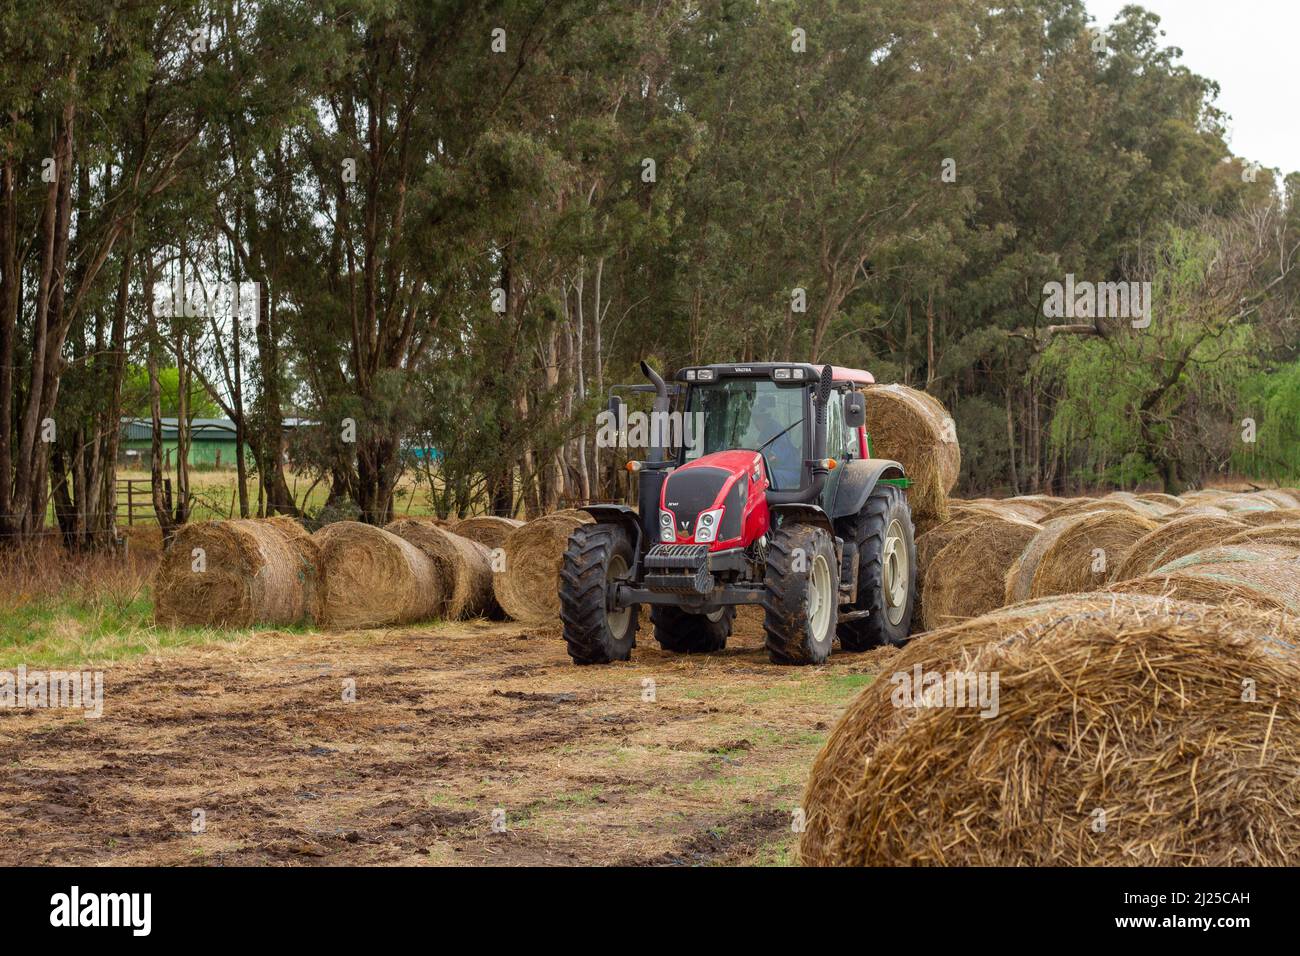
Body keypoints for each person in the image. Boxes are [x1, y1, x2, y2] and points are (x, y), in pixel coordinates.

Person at [748, 397, 804, 490]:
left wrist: (760, 450)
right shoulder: (764, 432)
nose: (755, 423)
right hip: (780, 469)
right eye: (754, 419)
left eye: (758, 419)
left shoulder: (775, 429)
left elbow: (774, 458)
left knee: (769, 476)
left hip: (791, 471)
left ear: (764, 418)